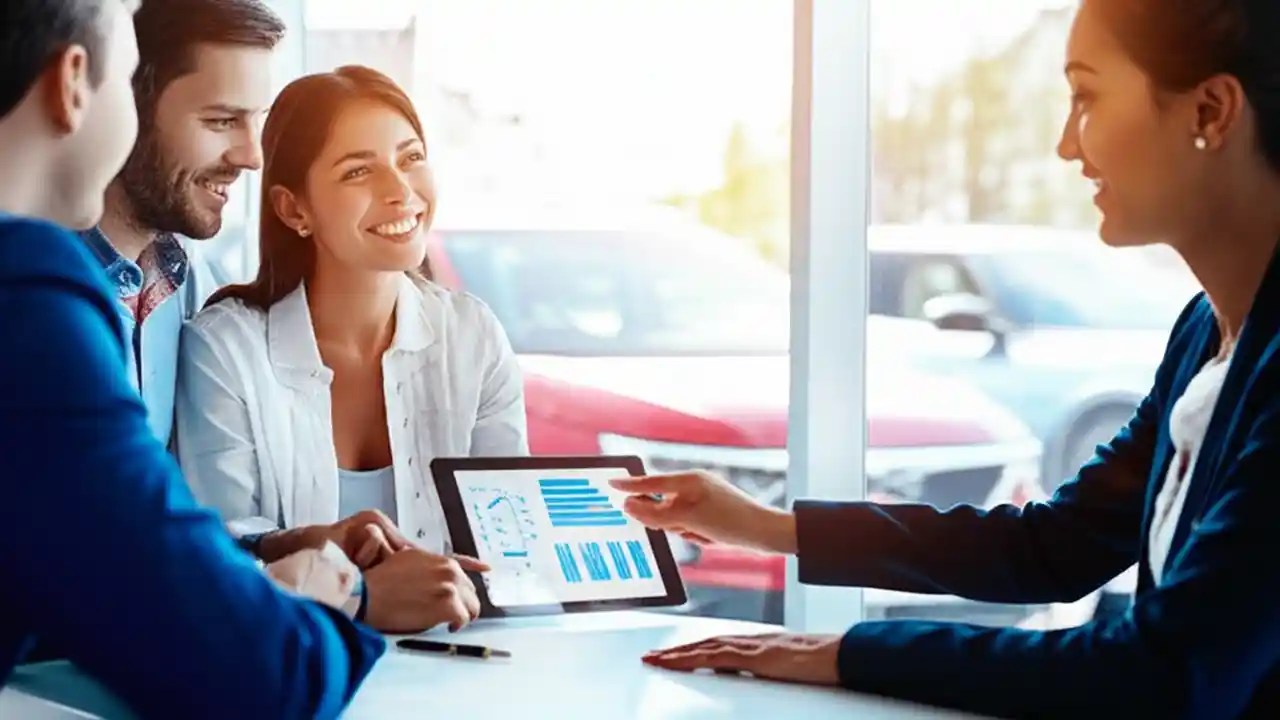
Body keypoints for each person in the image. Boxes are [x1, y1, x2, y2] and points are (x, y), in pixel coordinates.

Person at [610, 0, 1280, 717]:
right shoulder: (1204, 333)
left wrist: (846, 653)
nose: (1066, 144)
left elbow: (1164, 671)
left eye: (1085, 96)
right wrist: (766, 526)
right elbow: (1054, 546)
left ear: (1210, 112)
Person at [0, 1, 383, 717]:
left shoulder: (182, 289)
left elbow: (122, 532)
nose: (253, 155)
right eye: (221, 119)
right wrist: (330, 600)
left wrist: (260, 563)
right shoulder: (29, 294)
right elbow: (266, 677)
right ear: (76, 82)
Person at [175, 65, 527, 630]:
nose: (399, 190)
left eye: (411, 158)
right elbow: (216, 559)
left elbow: (511, 551)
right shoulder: (225, 350)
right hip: (292, 678)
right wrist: (356, 594)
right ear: (294, 210)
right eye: (359, 170)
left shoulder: (473, 337)